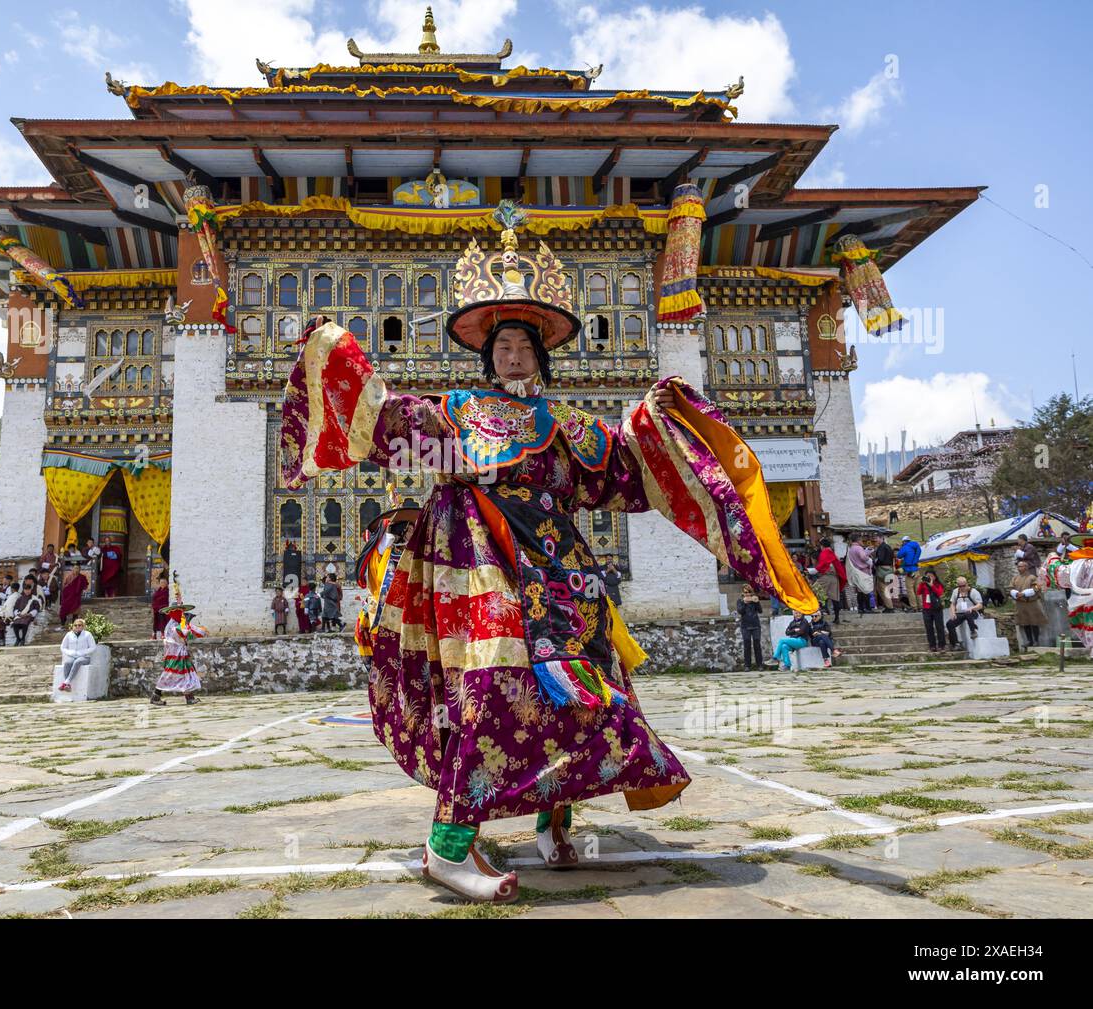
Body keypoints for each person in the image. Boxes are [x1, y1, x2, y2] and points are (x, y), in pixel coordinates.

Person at [280, 208, 816, 902]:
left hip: (561, 584)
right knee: (494, 697)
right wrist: (337, 357)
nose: (511, 354)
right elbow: (393, 425)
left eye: (523, 344)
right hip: (485, 580)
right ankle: (446, 846)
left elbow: (620, 470)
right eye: (502, 343)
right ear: (487, 353)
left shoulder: (565, 427)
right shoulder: (458, 414)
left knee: (587, 693)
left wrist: (655, 416)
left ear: (541, 353)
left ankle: (551, 821)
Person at [151, 576, 206, 706]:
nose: (182, 614)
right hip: (175, 655)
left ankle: (189, 697)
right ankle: (156, 696)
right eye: (180, 612)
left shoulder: (175, 623)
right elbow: (187, 633)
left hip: (179, 653)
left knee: (186, 674)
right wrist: (200, 631)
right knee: (169, 675)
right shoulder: (174, 625)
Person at [58, 616, 96, 693]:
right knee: (67, 663)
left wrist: (82, 652)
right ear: (73, 626)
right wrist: (70, 652)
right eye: (75, 625)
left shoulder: (87, 634)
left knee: (78, 662)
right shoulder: (69, 635)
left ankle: (66, 682)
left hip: (85, 657)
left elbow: (93, 647)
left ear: (83, 626)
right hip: (73, 656)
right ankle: (67, 685)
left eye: (79, 625)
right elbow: (63, 647)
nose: (77, 626)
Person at [1011, 560, 1044, 649]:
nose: (1019, 568)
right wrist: (1015, 593)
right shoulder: (1015, 578)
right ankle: (1029, 641)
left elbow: (1037, 587)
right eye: (1018, 567)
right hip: (1020, 603)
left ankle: (1036, 641)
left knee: (1034, 622)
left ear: (1026, 567)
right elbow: (1010, 588)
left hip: (1031, 603)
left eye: (1021, 566)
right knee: (1024, 622)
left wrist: (1025, 593)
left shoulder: (1032, 577)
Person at [812, 540, 847, 623]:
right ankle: (837, 618)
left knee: (815, 592)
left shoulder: (824, 552)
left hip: (826, 577)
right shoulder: (832, 553)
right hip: (835, 578)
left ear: (822, 546)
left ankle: (818, 616)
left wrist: (813, 570)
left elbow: (822, 565)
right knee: (835, 598)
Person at [946, 577, 983, 650]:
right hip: (960, 613)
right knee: (949, 624)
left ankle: (973, 631)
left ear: (967, 584)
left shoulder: (973, 591)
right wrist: (953, 613)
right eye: (960, 586)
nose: (962, 588)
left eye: (964, 585)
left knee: (967, 613)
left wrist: (972, 608)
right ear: (957, 585)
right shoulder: (955, 592)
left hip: (972, 612)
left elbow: (980, 605)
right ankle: (955, 643)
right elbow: (952, 604)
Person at [916, 570, 947, 651]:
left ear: (935, 577)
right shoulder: (923, 585)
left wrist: (932, 585)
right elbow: (918, 592)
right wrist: (922, 583)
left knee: (939, 627)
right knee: (929, 628)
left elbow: (939, 593)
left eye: (931, 576)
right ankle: (932, 646)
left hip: (937, 608)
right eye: (927, 576)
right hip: (927, 609)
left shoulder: (938, 584)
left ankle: (941, 645)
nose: (929, 577)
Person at [735, 585, 764, 669]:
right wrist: (744, 603)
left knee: (757, 644)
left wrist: (757, 602)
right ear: (743, 593)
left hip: (755, 625)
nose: (747, 594)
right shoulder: (740, 601)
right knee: (747, 644)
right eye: (745, 592)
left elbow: (760, 611)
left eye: (749, 592)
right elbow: (740, 611)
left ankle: (760, 665)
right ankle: (747, 665)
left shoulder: (754, 599)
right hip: (745, 625)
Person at [9, 575, 42, 646]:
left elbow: (36, 609)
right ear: (24, 590)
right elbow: (15, 608)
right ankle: (18, 639)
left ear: (30, 590)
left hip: (28, 615)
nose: (27, 591)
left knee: (24, 623)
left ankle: (23, 638)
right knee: (15, 624)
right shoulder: (20, 598)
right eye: (25, 590)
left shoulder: (34, 599)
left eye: (28, 590)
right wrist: (18, 613)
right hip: (20, 615)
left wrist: (29, 614)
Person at [846, 536, 874, 613]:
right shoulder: (858, 548)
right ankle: (868, 608)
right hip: (863, 571)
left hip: (856, 571)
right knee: (866, 590)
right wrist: (869, 560)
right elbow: (862, 556)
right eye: (862, 540)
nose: (862, 542)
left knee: (860, 591)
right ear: (858, 540)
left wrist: (866, 551)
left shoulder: (851, 549)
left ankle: (861, 608)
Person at [58, 563, 88, 628]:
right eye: (75, 568)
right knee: (63, 611)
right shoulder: (69, 577)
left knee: (75, 611)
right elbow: (65, 585)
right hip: (68, 597)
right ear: (72, 569)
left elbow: (85, 586)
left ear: (80, 569)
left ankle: (74, 626)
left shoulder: (82, 577)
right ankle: (62, 624)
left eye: (78, 568)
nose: (76, 570)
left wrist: (83, 590)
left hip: (76, 597)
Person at [896, 535, 922, 610]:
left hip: (910, 571)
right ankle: (921, 606)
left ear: (904, 542)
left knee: (910, 590)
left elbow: (899, 555)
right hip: (916, 570)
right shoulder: (916, 546)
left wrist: (901, 547)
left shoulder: (905, 547)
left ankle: (914, 607)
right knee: (918, 589)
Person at [872, 534, 896, 612]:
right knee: (885, 589)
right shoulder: (888, 547)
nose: (875, 540)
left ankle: (890, 607)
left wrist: (874, 562)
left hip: (882, 569)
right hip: (889, 569)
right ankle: (888, 606)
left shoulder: (881, 547)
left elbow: (880, 559)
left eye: (876, 538)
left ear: (881, 538)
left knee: (882, 589)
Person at [151, 570, 170, 639]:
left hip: (164, 609)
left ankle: (163, 633)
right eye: (161, 582)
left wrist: (160, 606)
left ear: (166, 583)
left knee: (163, 622)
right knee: (156, 623)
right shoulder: (158, 591)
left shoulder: (167, 591)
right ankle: (155, 634)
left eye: (164, 582)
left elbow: (165, 599)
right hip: (157, 609)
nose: (162, 584)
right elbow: (154, 598)